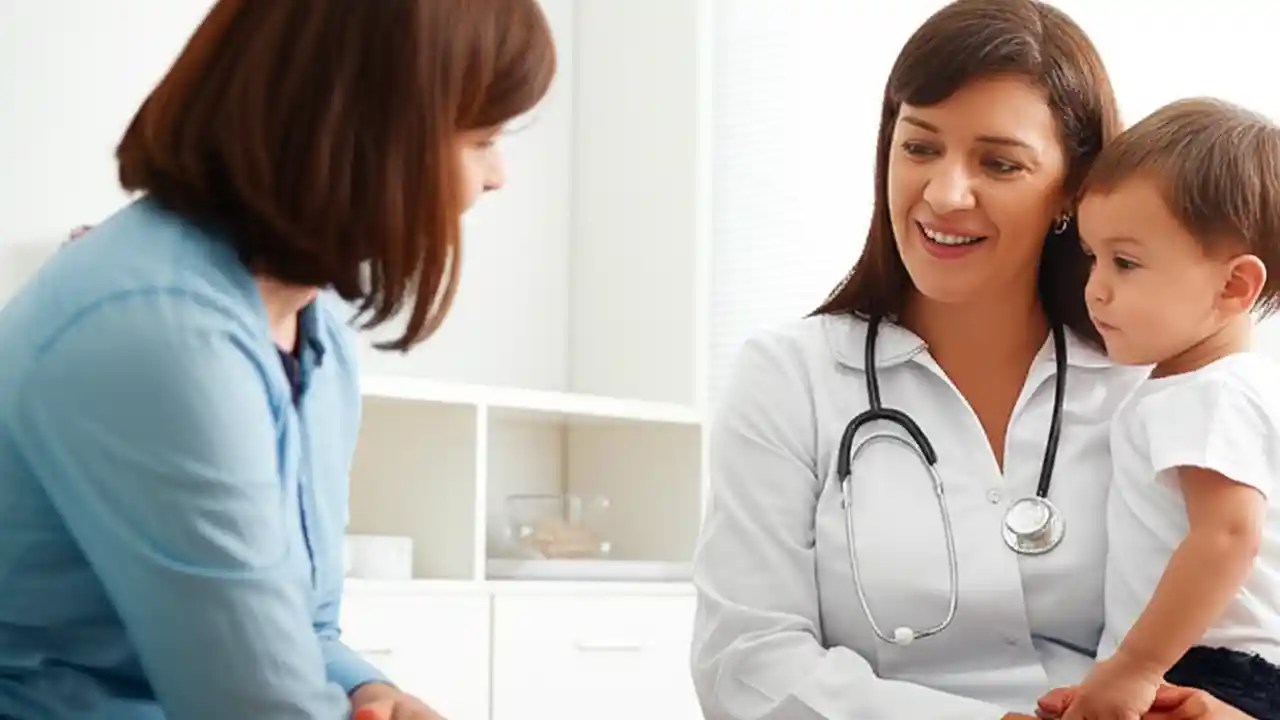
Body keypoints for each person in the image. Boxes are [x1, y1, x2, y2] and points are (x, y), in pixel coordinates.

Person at [691, 1, 1250, 718]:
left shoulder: (1163, 389)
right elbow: (745, 665)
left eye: (1000, 163)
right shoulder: (787, 379)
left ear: (1073, 191)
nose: (945, 194)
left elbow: (1249, 613)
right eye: (919, 148)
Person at [0, 1, 554, 718]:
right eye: (482, 139)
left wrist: (368, 689)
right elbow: (257, 702)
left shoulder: (314, 337)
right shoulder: (159, 332)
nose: (497, 176)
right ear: (368, 131)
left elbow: (300, 630)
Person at [1036, 99, 1280, 720]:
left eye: (1126, 262)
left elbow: (1228, 535)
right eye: (1092, 257)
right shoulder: (1221, 388)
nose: (1096, 288)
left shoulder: (1207, 395)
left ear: (1233, 286)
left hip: (1213, 669)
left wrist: (1136, 666)